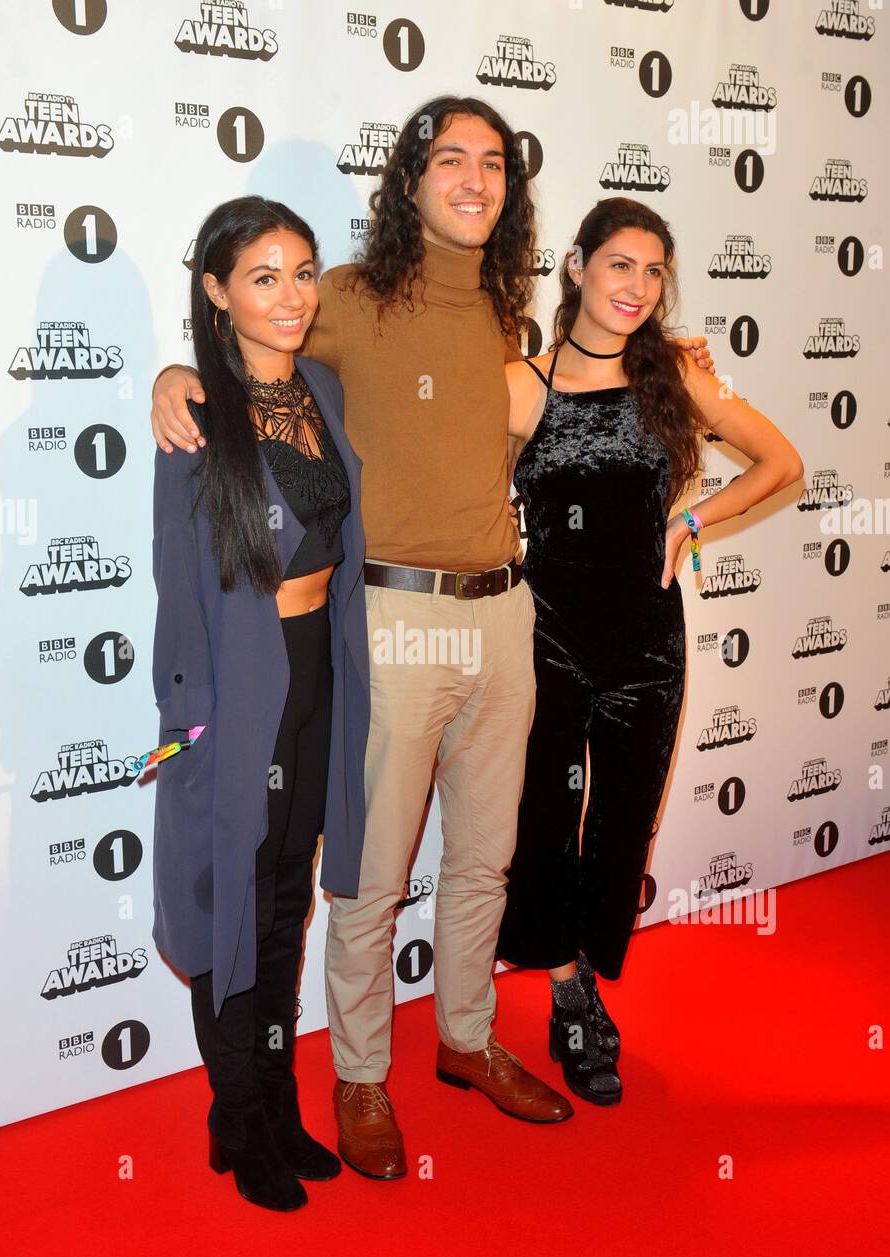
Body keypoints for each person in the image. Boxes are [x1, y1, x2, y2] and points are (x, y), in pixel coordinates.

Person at [151, 97, 715, 1180]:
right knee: (367, 869)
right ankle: (360, 1075)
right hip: (392, 617)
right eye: (447, 158)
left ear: (511, 188)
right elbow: (247, 350)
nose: (472, 177)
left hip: (509, 609)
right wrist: (174, 377)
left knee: (486, 858)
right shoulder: (348, 298)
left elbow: (576, 384)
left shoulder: (505, 312)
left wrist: (666, 363)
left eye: (492, 162)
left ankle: (466, 1040)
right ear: (406, 182)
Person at [497, 196, 804, 1105]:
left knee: (623, 823)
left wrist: (691, 519)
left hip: (646, 643)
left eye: (653, 270)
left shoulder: (675, 377)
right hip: (546, 639)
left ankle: (587, 966)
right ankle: (565, 996)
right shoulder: (522, 383)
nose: (635, 285)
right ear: (577, 267)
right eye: (619, 264)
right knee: (544, 824)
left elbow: (782, 462)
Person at [150, 195, 369, 1211]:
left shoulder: (321, 384)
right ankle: (234, 1116)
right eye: (264, 276)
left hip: (319, 666)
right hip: (241, 679)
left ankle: (277, 1098)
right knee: (230, 896)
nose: (291, 296)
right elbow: (176, 589)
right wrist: (189, 735)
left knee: (287, 892)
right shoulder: (194, 409)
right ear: (216, 293)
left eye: (302, 272)